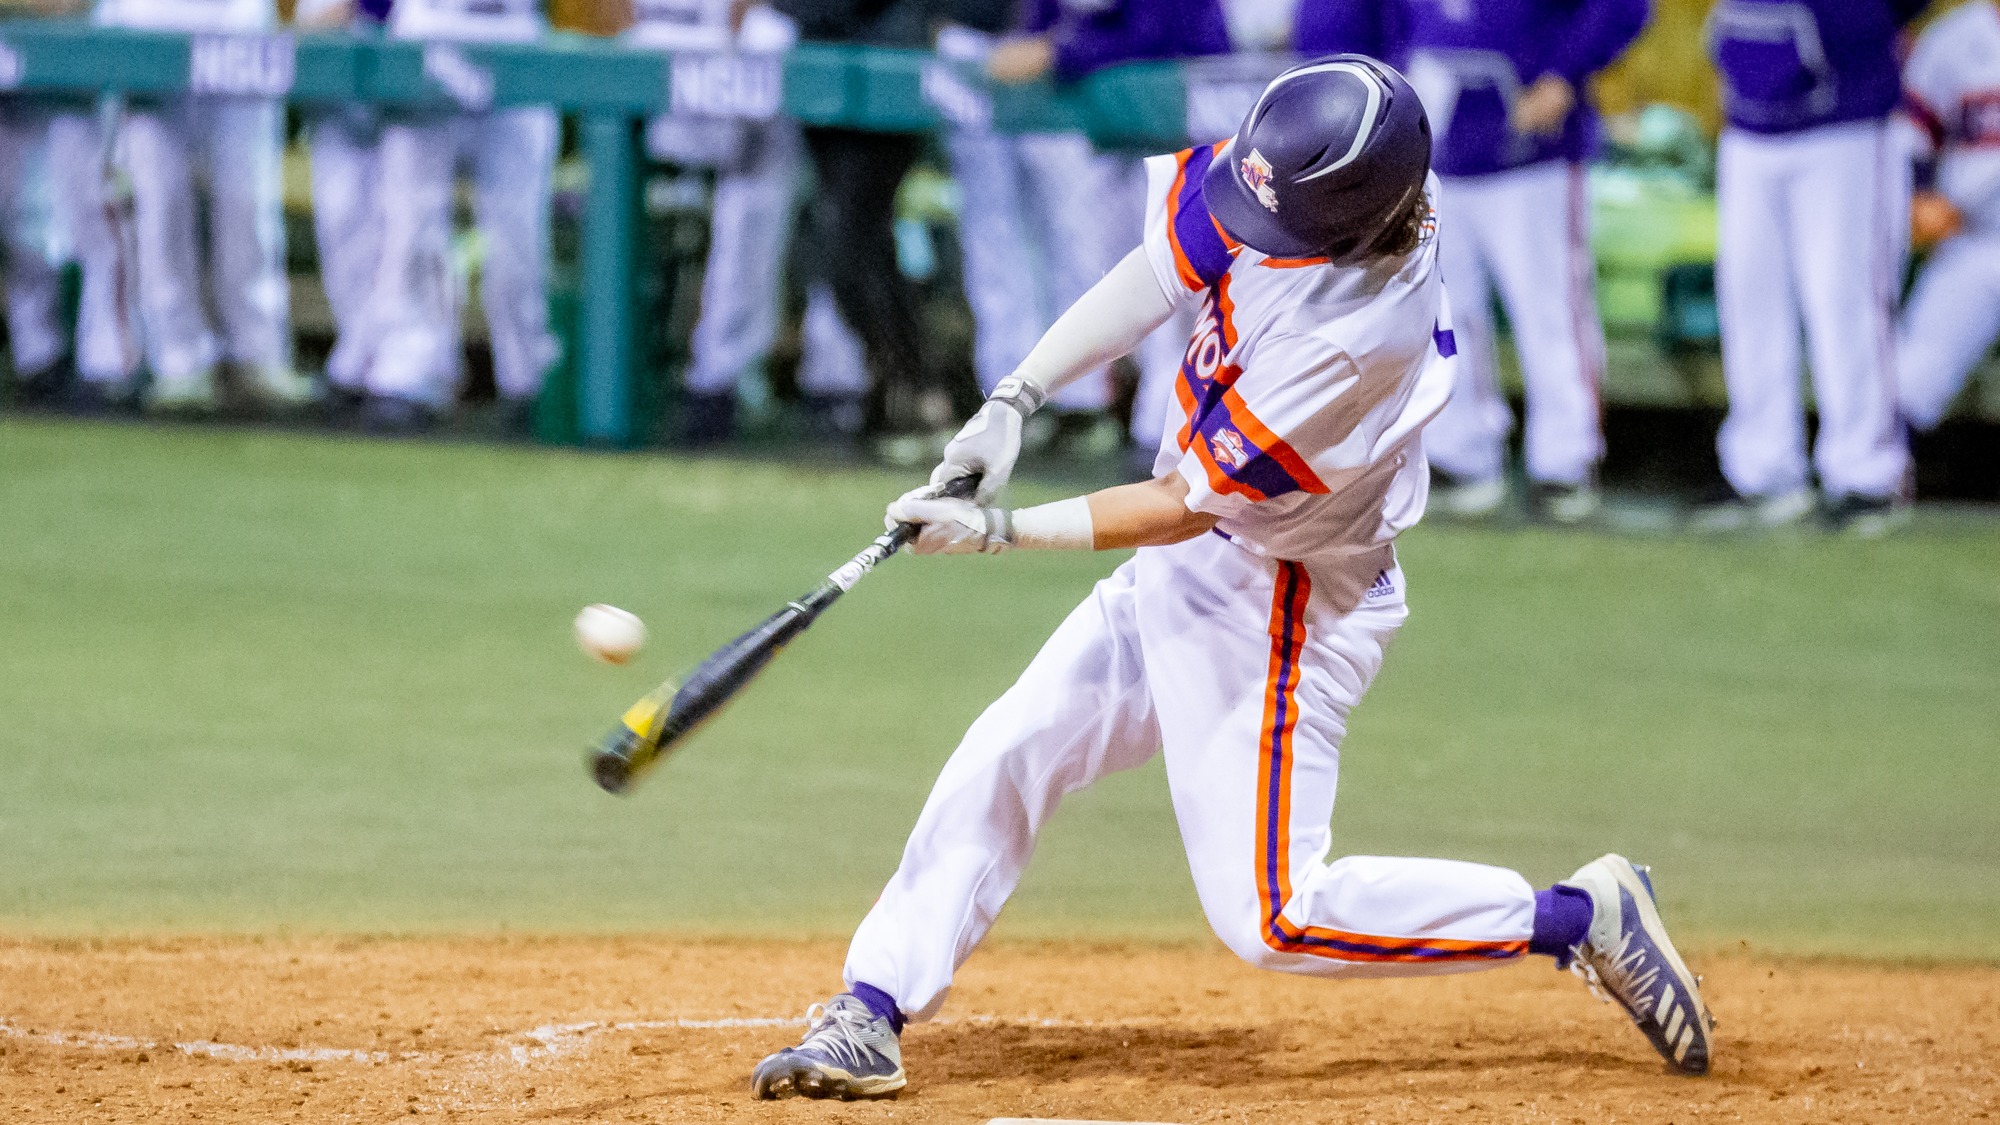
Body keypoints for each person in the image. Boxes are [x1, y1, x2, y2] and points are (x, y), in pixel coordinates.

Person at [747, 56, 1714, 1102]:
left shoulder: (1352, 345)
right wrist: (1013, 399)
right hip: (1209, 548)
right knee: (1016, 742)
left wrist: (993, 531)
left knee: (1274, 919)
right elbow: (1161, 267)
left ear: (1349, 227)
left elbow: (1175, 509)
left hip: (1283, 598)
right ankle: (872, 1007)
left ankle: (1581, 917)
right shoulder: (1311, 169)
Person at [1296, 0, 1647, 523]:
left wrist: (1565, 73)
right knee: (1441, 313)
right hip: (1436, 153)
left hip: (1533, 153)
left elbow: (1623, 8)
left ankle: (1565, 462)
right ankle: (1462, 455)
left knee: (1551, 311)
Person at [1697, 0, 1926, 536]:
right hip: (1750, 119)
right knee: (1748, 298)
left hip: (1844, 117)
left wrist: (1853, 29)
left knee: (1845, 299)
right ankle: (1763, 467)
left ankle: (1866, 473)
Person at [628, 0, 868, 446]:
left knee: (812, 221)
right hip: (707, 71)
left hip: (807, 61)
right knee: (747, 221)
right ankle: (715, 386)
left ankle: (812, 388)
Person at [96, 0, 313, 415]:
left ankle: (258, 354)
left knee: (246, 201)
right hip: (146, 22)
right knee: (160, 202)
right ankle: (178, 359)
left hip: (240, 23)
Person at [360, 0, 559, 432]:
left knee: (518, 233)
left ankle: (528, 381)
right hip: (429, 26)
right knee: (413, 223)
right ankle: (410, 374)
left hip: (514, 30)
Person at [1895, 0, 2000, 437]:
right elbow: (1909, 132)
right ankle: (1879, 484)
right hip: (1977, 241)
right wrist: (1918, 194)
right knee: (1911, 379)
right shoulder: (1954, 38)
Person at [297, 0, 391, 422]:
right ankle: (355, 361)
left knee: (402, 229)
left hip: (404, 51)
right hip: (336, 72)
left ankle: (397, 369)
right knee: (341, 224)